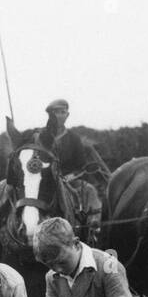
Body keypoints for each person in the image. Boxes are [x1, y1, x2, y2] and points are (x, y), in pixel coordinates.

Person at [38, 99, 108, 241]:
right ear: (50, 115)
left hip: (69, 180)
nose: (60, 115)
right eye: (56, 112)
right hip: (44, 180)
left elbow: (80, 164)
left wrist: (71, 176)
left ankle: (93, 229)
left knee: (89, 190)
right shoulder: (41, 137)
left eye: (63, 112)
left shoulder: (74, 138)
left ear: (67, 115)